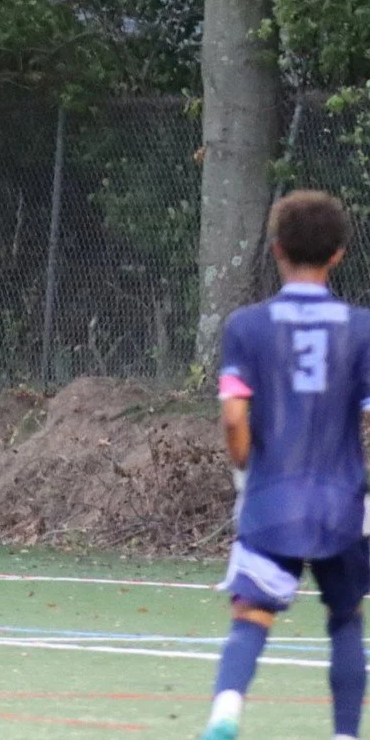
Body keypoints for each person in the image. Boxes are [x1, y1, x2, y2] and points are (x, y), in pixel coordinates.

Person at [198, 190, 370, 740]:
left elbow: (232, 413)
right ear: (339, 253)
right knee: (345, 620)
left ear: (275, 250)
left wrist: (245, 463)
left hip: (273, 498)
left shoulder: (247, 326)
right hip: (343, 502)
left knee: (251, 615)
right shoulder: (362, 328)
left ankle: (225, 715)